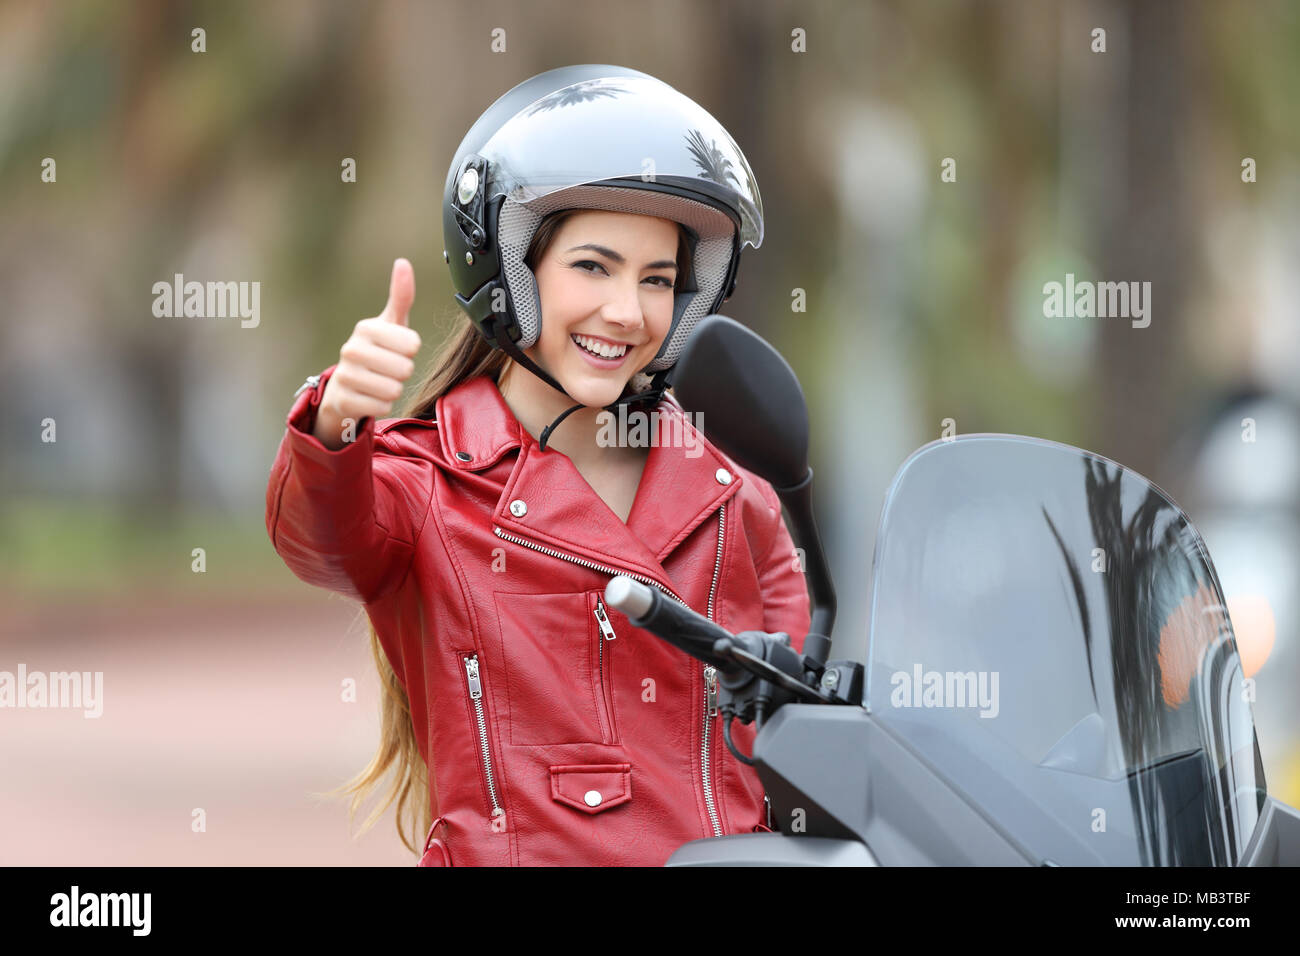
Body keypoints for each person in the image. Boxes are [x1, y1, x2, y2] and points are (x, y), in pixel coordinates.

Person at [264, 64, 810, 866]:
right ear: (512, 271)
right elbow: (322, 540)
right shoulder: (424, 486)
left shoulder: (736, 498)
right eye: (593, 266)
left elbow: (800, 737)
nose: (627, 312)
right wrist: (339, 419)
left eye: (658, 279)